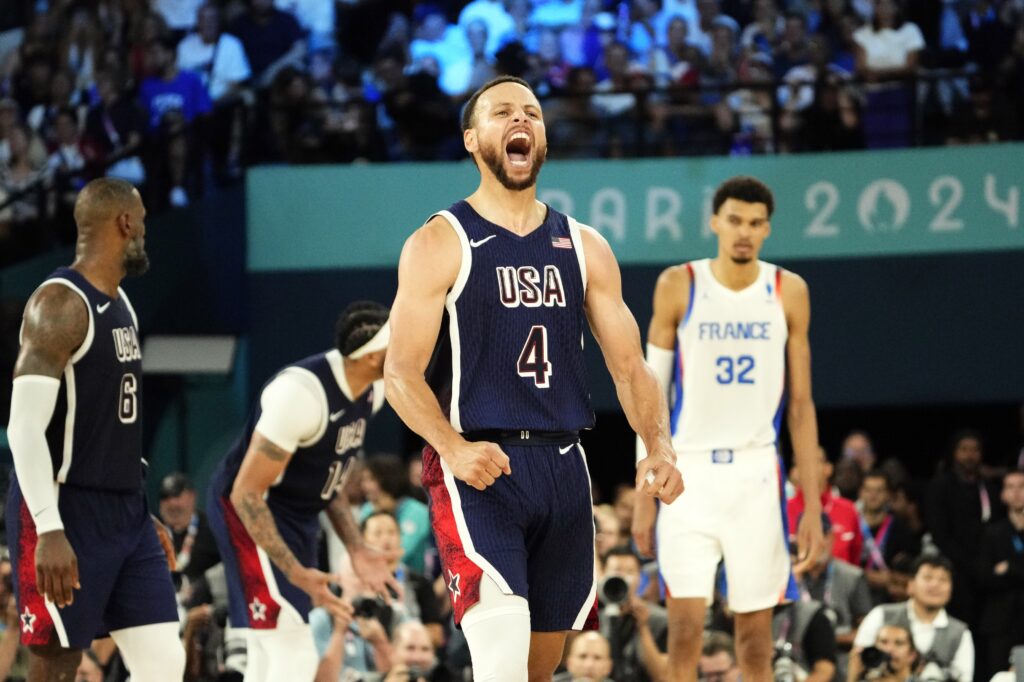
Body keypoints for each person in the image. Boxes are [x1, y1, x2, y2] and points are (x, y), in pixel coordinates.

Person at [383, 75, 683, 681]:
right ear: (472, 139)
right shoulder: (440, 240)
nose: (520, 121)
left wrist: (660, 444)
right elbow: (399, 373)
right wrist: (452, 448)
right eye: (502, 113)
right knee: (500, 658)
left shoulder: (583, 244)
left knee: (537, 670)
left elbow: (630, 367)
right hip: (480, 464)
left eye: (532, 113)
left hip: (565, 466)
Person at [634, 175, 826, 682]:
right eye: (735, 220)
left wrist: (812, 506)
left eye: (756, 223)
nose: (744, 231)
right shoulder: (679, 283)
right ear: (715, 222)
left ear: (768, 229)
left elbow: (802, 407)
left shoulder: (789, 291)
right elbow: (650, 395)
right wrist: (641, 499)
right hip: (687, 472)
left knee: (756, 642)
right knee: (683, 635)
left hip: (757, 472)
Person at [5, 178, 185, 681]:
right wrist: (48, 527)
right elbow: (23, 428)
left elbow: (116, 423)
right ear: (126, 223)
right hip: (65, 507)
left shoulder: (122, 304)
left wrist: (138, 508)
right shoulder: (59, 305)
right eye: (144, 220)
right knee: (58, 661)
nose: (145, 230)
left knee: (164, 662)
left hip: (125, 511)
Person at [206, 302, 399, 682]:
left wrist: (357, 547)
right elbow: (246, 493)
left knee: (269, 653)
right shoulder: (300, 395)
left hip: (297, 514)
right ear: (375, 357)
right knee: (293, 648)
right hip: (248, 509)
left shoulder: (373, 391)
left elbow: (333, 477)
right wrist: (294, 572)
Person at [850, 555, 974, 682]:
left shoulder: (960, 633)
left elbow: (964, 678)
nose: (935, 585)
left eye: (943, 579)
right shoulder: (881, 614)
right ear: (910, 585)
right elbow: (857, 661)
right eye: (928, 577)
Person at [977, 470, 1024, 680]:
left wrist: (1009, 569)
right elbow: (984, 577)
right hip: (1000, 621)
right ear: (1003, 494)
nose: (1016, 493)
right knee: (999, 676)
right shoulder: (992, 532)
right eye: (1010, 487)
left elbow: (1000, 573)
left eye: (1022, 486)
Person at [789, 446, 863, 566]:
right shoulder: (780, 511)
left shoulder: (848, 510)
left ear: (828, 469)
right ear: (793, 472)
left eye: (813, 461)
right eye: (799, 463)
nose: (806, 468)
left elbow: (855, 560)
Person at [857, 470, 920, 603]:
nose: (873, 496)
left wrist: (891, 578)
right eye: (868, 490)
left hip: (888, 594)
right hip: (855, 588)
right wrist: (867, 576)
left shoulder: (900, 525)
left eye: (879, 491)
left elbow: (910, 566)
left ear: (888, 495)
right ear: (861, 493)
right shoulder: (851, 523)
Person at [157, 472, 220, 590]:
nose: (171, 503)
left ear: (192, 496)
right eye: (165, 497)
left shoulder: (213, 529)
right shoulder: (152, 534)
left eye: (176, 495)